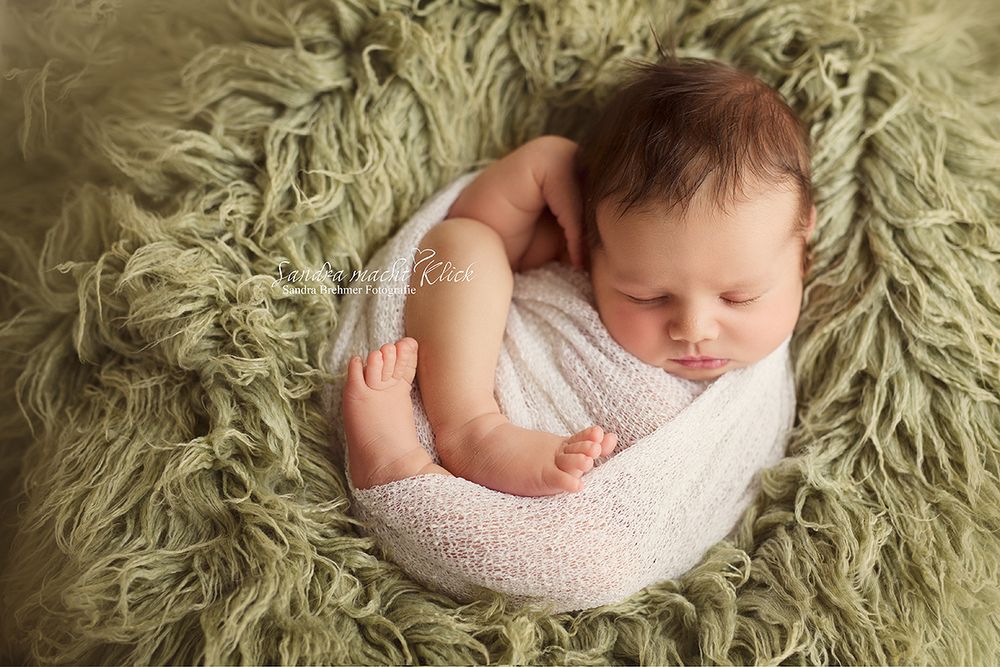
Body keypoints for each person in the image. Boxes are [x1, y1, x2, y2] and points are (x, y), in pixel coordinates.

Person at [340, 56, 817, 497]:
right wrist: (537, 168)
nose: (693, 330)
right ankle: (466, 430)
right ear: (590, 241)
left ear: (804, 234)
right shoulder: (579, 251)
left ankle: (399, 474)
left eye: (739, 297)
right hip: (509, 440)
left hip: (612, 521)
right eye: (645, 295)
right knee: (461, 244)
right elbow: (472, 244)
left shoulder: (765, 388)